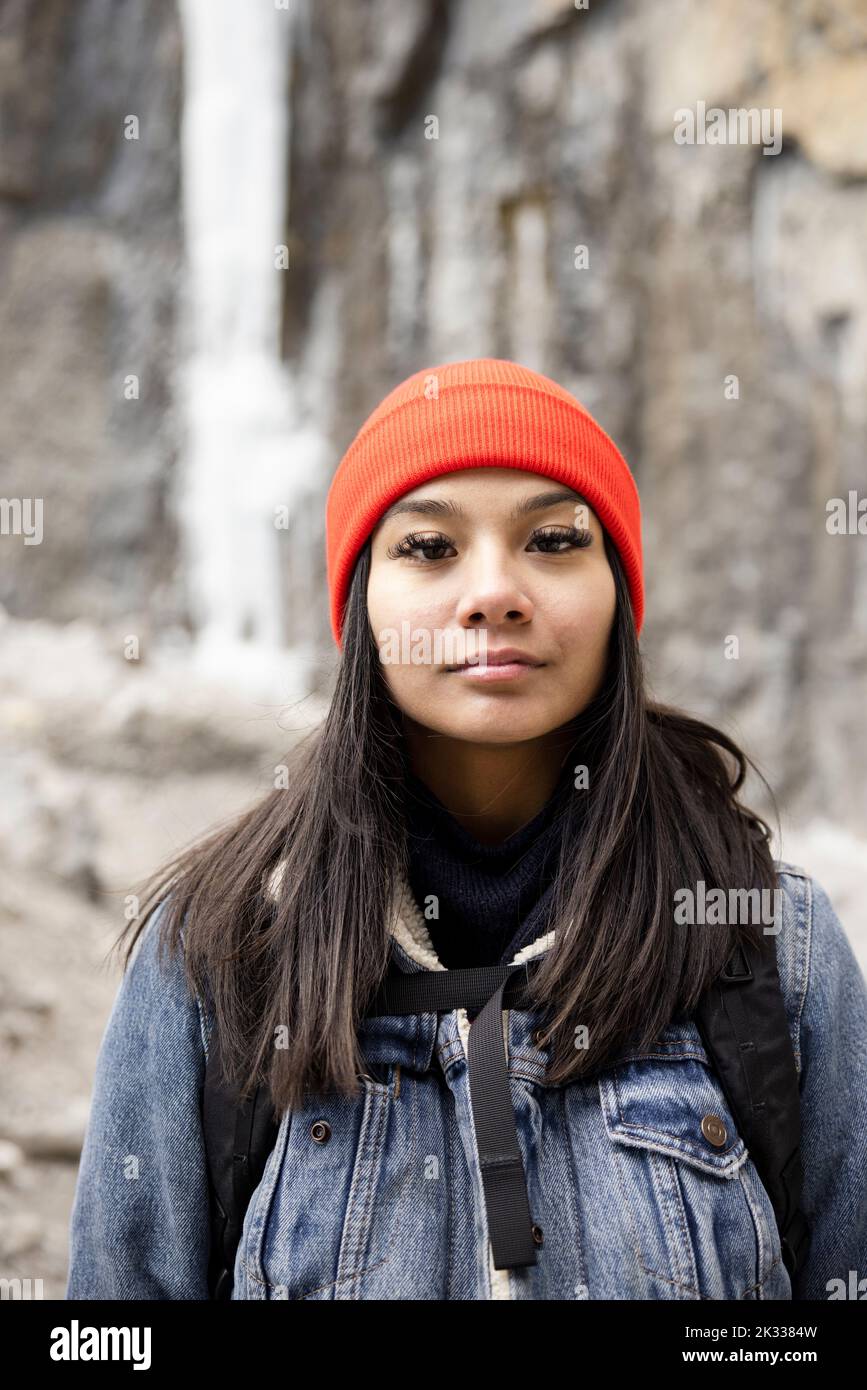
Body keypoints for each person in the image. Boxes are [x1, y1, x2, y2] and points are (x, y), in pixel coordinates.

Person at [66, 357, 867, 1300]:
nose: (493, 592)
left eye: (554, 540)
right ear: (361, 601)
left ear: (618, 595)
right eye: (429, 548)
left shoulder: (770, 947)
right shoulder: (215, 952)